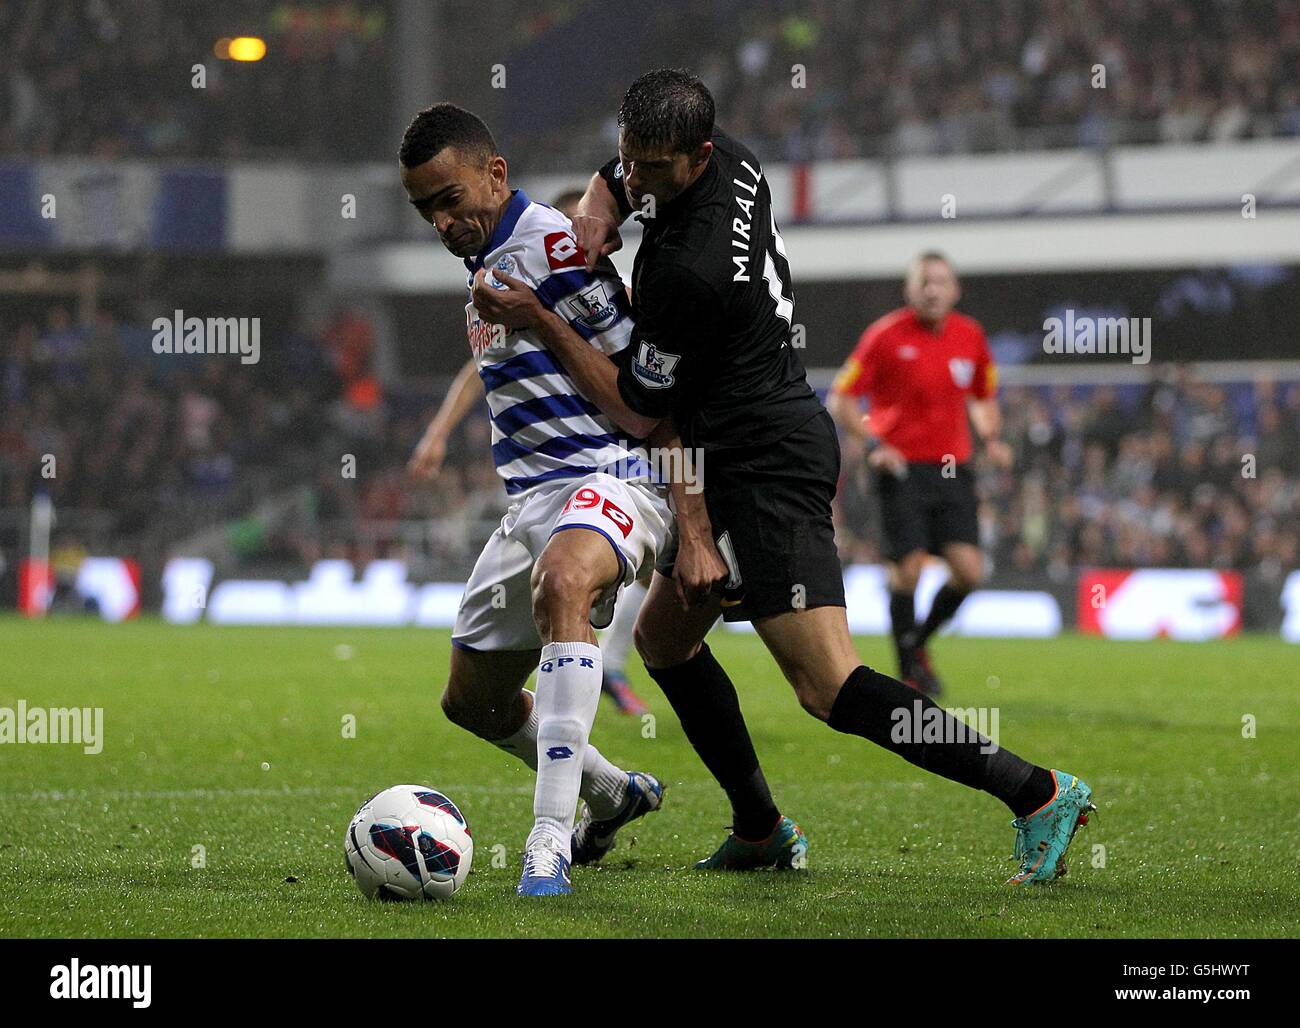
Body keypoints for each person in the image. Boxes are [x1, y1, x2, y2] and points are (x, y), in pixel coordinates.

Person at [470, 70, 1093, 885]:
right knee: (663, 641)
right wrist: (597, 200)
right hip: (735, 441)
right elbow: (620, 180)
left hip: (767, 459)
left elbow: (634, 405)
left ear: (694, 156)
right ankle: (761, 830)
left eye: (652, 170)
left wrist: (544, 320)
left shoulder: (691, 277)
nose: (637, 180)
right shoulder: (729, 155)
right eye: (629, 161)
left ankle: (1036, 791)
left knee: (828, 685)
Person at [399, 103, 669, 896]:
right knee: (471, 700)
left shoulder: (551, 247)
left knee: (563, 585)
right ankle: (612, 791)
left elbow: (643, 382)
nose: (443, 222)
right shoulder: (485, 264)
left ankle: (549, 843)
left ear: (496, 175)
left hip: (612, 476)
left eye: (451, 200)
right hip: (531, 504)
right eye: (426, 212)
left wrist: (689, 502)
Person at [410, 187, 651, 719]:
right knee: (472, 699)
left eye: (577, 228)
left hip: (624, 473)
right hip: (545, 488)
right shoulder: (501, 287)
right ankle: (607, 744)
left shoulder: (615, 297)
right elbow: (481, 367)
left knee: (654, 613)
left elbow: (647, 386)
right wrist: (439, 431)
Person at [827, 252, 1013, 696]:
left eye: (940, 282)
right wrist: (875, 444)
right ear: (910, 290)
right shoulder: (885, 336)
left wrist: (992, 438)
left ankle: (917, 643)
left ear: (955, 290)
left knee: (969, 571)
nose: (932, 289)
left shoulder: (971, 336)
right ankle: (909, 668)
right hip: (902, 468)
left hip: (953, 469)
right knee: (908, 569)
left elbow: (983, 396)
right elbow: (841, 398)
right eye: (924, 282)